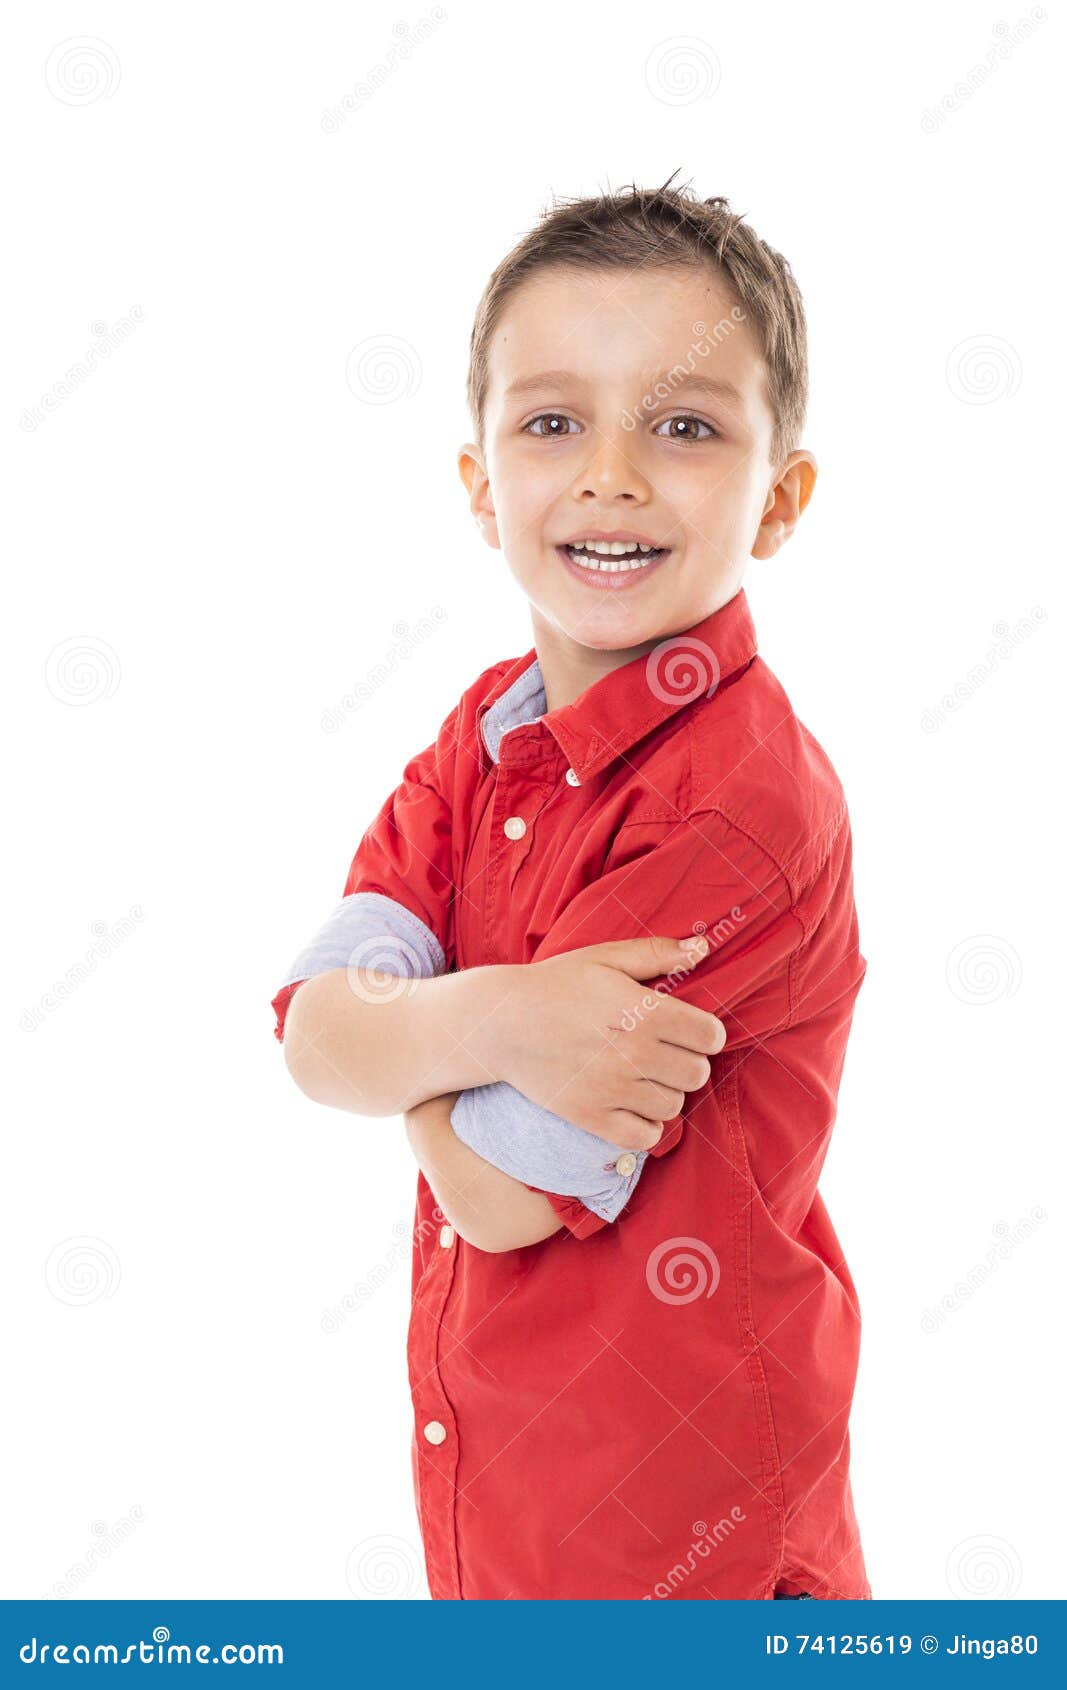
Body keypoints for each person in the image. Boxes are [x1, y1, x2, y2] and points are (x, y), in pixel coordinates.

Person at [271, 176, 869, 1601]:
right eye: (553, 422)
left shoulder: (738, 808)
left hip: (695, 1557)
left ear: (779, 498)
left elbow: (493, 1189)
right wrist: (507, 1019)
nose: (611, 474)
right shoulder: (486, 729)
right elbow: (310, 1033)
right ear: (482, 485)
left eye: (684, 426)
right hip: (514, 1531)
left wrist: (415, 1031)